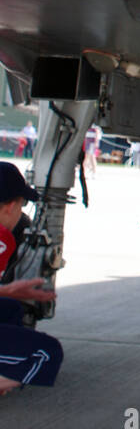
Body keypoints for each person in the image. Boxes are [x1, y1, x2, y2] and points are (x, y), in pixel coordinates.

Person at [0, 162, 64, 394]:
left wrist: (9, 290)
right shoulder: (2, 239)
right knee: (48, 354)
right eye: (22, 204)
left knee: (10, 309)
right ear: (10, 206)